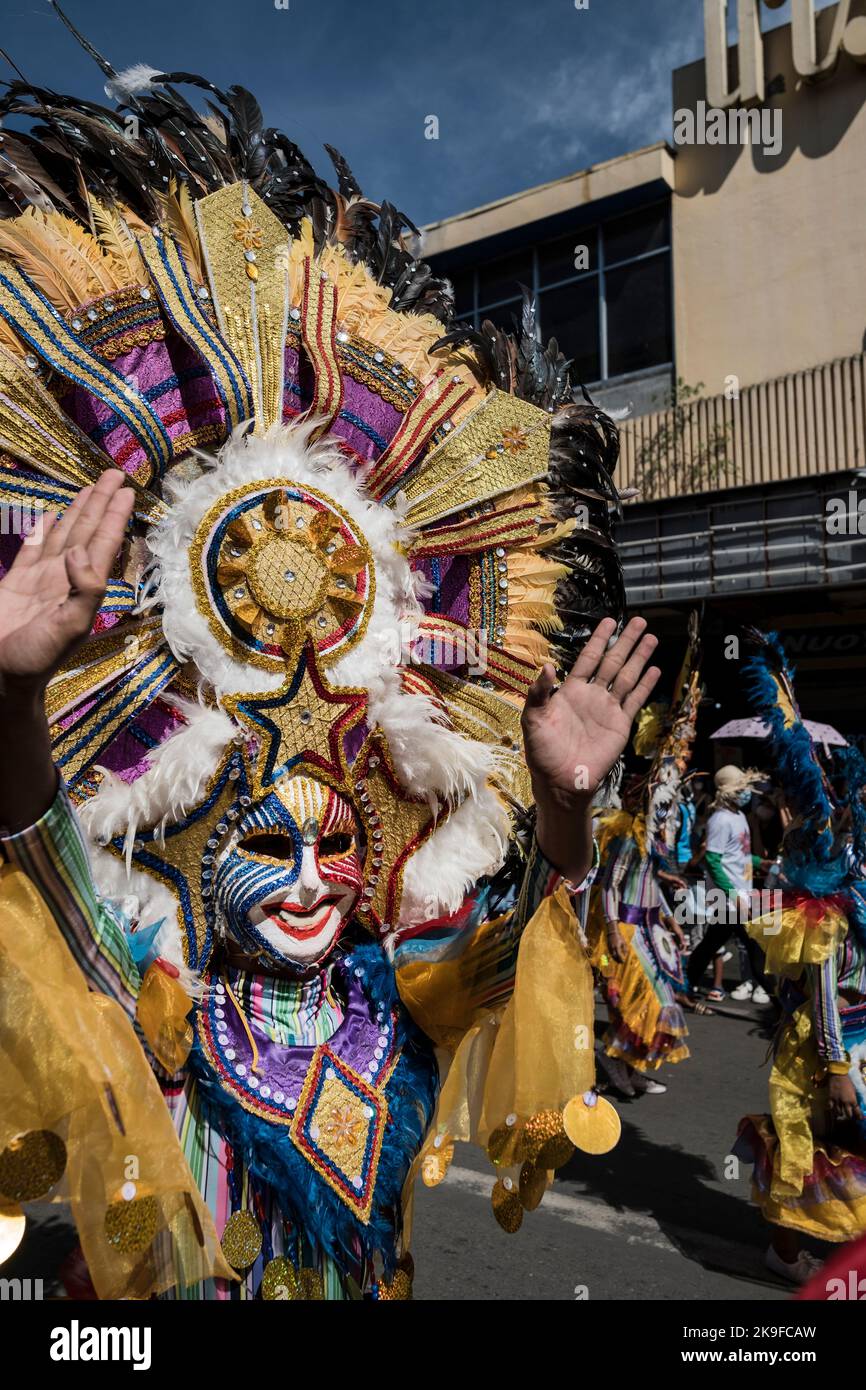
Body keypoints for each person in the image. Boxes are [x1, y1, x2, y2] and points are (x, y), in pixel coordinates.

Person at [0, 21, 661, 1300]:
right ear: (200, 863)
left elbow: (526, 932)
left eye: (334, 845)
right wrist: (18, 688)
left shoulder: (398, 997)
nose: (311, 878)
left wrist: (567, 806)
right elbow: (42, 869)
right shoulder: (165, 1009)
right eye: (268, 844)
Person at [733, 633, 866, 1284]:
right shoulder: (820, 857)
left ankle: (831, 1247)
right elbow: (821, 970)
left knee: (840, 1146)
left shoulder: (848, 847)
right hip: (824, 1037)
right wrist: (836, 1063)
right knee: (808, 1142)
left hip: (855, 1027)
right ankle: (785, 1250)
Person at [685, 765, 772, 1005]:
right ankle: (777, 1000)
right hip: (731, 898)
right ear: (728, 792)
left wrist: (759, 862)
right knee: (755, 946)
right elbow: (713, 860)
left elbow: (738, 855)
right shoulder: (720, 820)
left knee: (711, 944)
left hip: (741, 895)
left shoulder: (739, 816)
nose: (746, 792)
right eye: (741, 788)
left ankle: (686, 984)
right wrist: (732, 894)